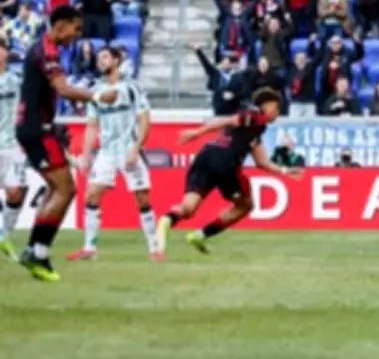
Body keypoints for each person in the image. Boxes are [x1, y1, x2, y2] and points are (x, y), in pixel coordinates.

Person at [16, 5, 117, 282]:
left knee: (58, 189)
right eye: (76, 28)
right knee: (65, 189)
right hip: (36, 129)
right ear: (60, 25)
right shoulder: (47, 51)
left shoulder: (46, 49)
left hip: (35, 127)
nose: (77, 35)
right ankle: (37, 252)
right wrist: (97, 97)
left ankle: (35, 250)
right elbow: (62, 88)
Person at [156, 88, 302, 256]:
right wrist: (197, 132)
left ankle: (167, 219)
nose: (277, 114)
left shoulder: (254, 128)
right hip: (226, 162)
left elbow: (262, 163)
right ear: (267, 106)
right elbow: (230, 121)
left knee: (188, 208)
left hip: (206, 156)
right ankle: (201, 234)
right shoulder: (255, 116)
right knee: (246, 205)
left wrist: (285, 170)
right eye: (277, 108)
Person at [66, 47, 158, 262]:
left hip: (128, 148)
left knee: (142, 198)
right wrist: (86, 154)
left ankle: (155, 248)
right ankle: (89, 248)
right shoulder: (96, 90)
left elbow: (145, 119)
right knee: (91, 194)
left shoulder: (132, 87)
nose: (101, 61)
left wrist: (136, 148)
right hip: (106, 151)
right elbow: (91, 125)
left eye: (105, 57)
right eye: (99, 58)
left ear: (116, 60)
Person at [0, 40, 24, 259]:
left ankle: (4, 237)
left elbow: (24, 108)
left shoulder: (15, 80)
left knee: (15, 192)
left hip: (10, 144)